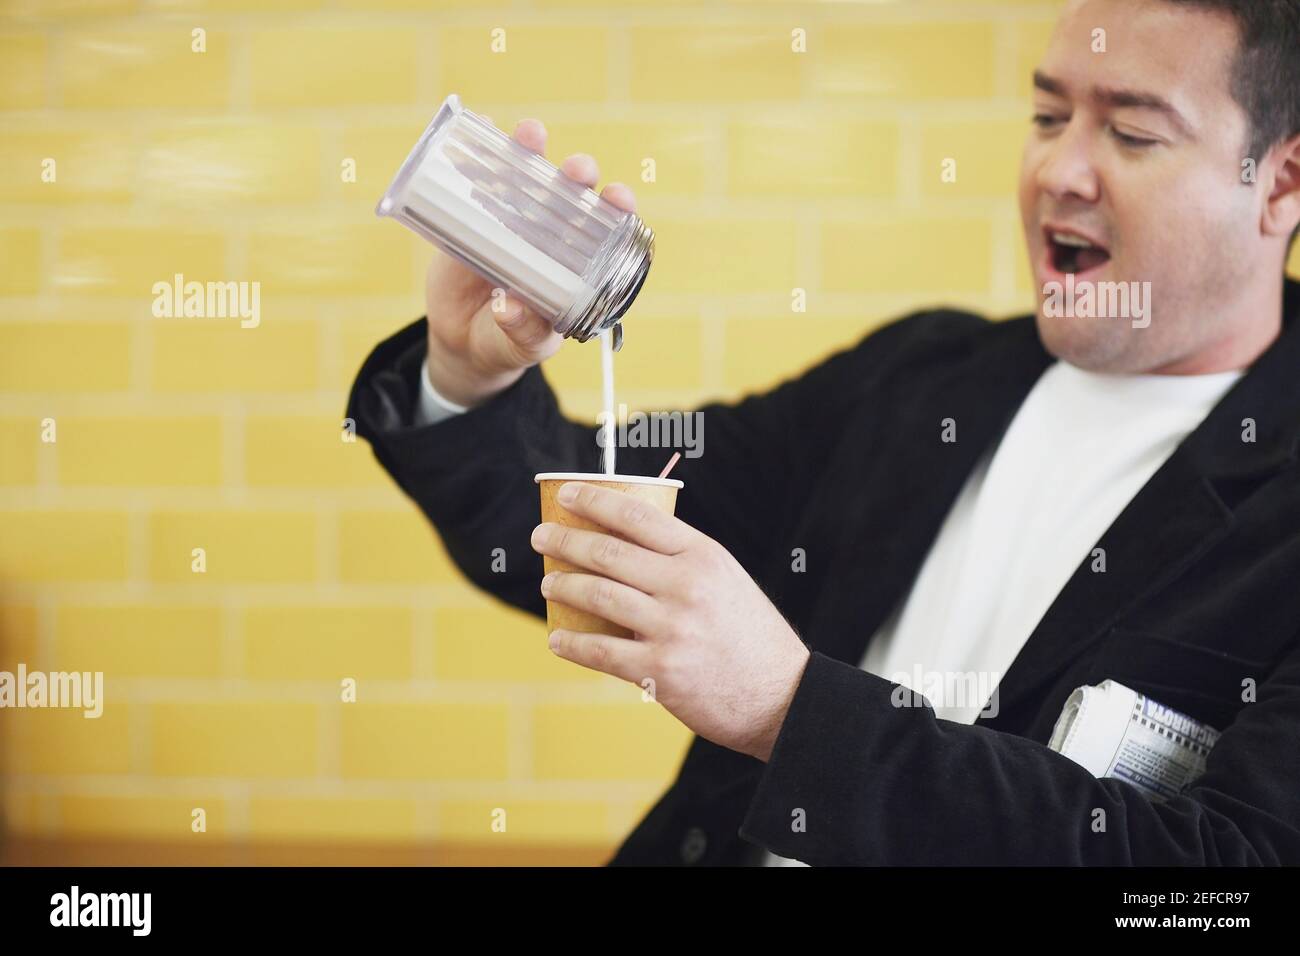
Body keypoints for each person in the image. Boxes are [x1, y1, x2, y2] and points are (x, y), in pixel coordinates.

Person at [347, 0, 1300, 865]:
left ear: (1282, 183)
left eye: (1132, 133)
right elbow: (572, 531)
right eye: (1048, 118)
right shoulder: (921, 377)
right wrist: (470, 374)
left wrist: (791, 711)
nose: (1059, 169)